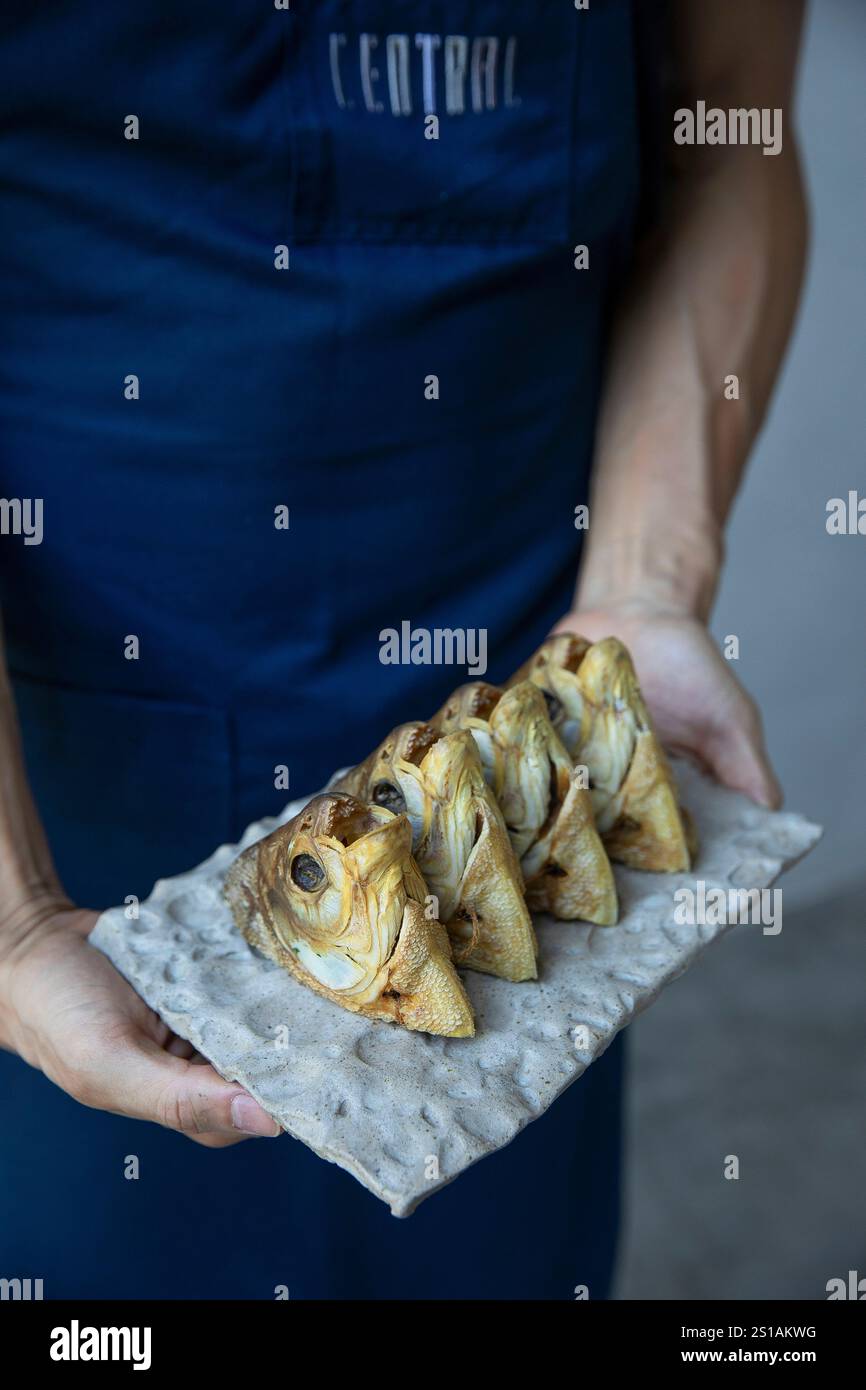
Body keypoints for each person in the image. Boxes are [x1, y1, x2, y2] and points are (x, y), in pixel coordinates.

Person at [0, 1, 806, 1299]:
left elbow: (731, 129)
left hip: (534, 727)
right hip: (75, 769)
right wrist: (13, 912)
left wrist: (644, 592)